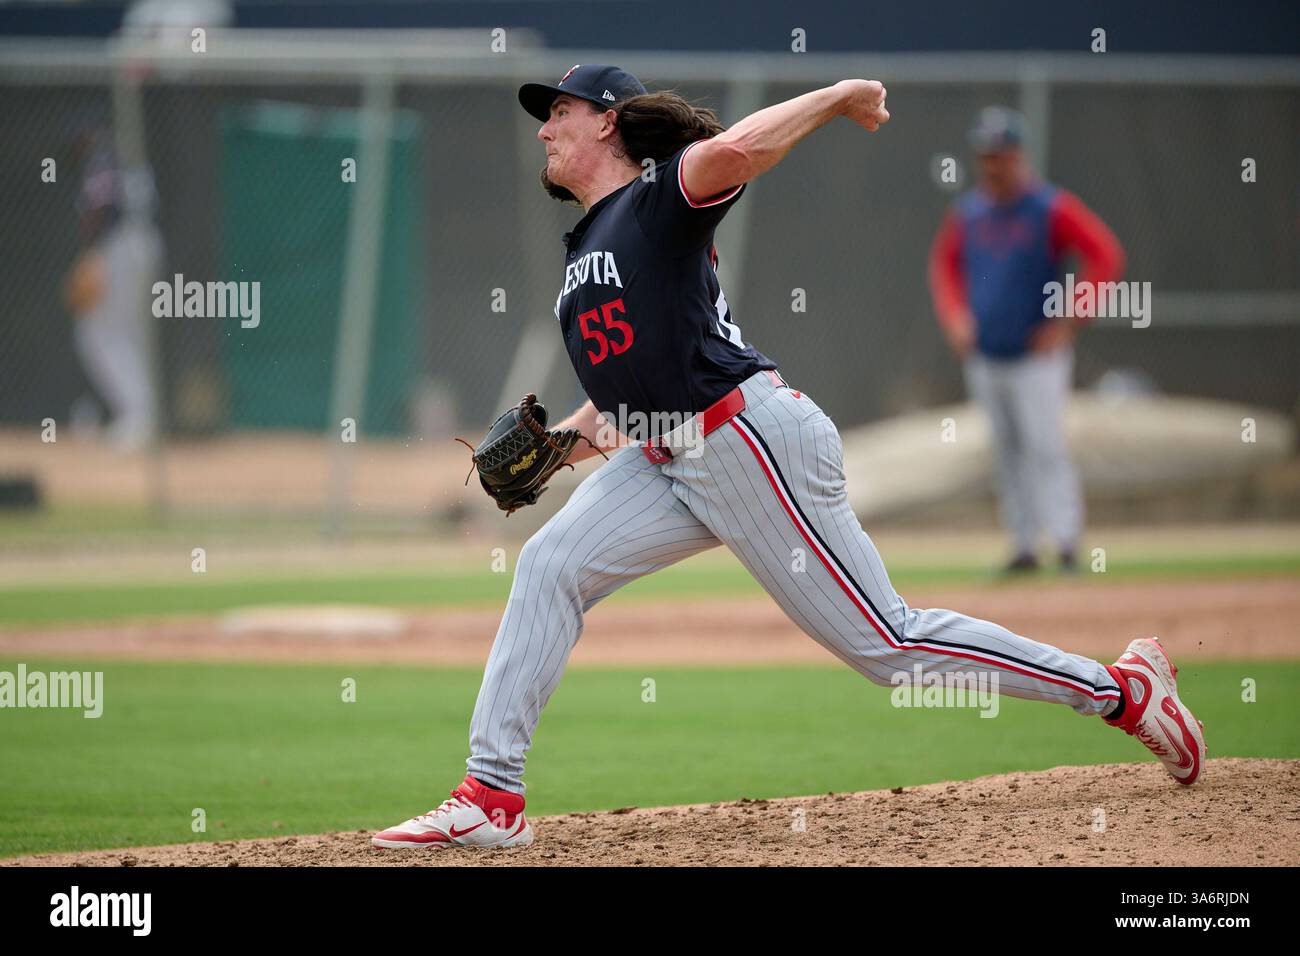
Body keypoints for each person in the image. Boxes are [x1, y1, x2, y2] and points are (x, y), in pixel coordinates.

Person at [372, 68, 1201, 851]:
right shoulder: (589, 245)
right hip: (670, 453)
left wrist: (837, 95)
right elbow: (627, 398)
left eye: (559, 110)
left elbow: (737, 151)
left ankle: (1122, 692)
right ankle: (492, 797)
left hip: (745, 439)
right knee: (548, 565)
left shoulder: (658, 197)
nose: (545, 127)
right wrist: (557, 453)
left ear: (608, 121)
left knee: (891, 647)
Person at [928, 107, 1125, 574]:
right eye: (986, 156)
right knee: (1006, 450)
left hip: (1037, 354)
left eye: (1000, 155)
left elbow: (1105, 256)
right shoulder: (970, 212)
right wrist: (955, 317)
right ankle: (1023, 546)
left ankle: (1068, 543)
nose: (993, 165)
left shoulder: (1048, 207)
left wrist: (1069, 319)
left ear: (1018, 156)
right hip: (987, 353)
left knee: (1045, 446)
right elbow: (944, 267)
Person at [63, 123, 163, 453]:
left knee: (97, 334)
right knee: (126, 333)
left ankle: (138, 418)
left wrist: (92, 254)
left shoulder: (101, 160)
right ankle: (143, 416)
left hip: (118, 245)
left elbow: (101, 210)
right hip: (145, 242)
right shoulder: (129, 158)